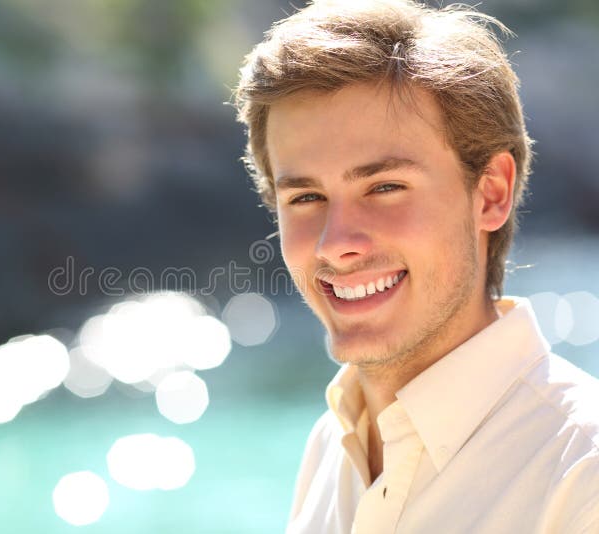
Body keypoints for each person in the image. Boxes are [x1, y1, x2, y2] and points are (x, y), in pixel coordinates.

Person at [233, 1, 599, 532]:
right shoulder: (329, 448)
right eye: (307, 197)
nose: (336, 246)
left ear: (490, 193)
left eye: (384, 187)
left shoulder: (581, 477)